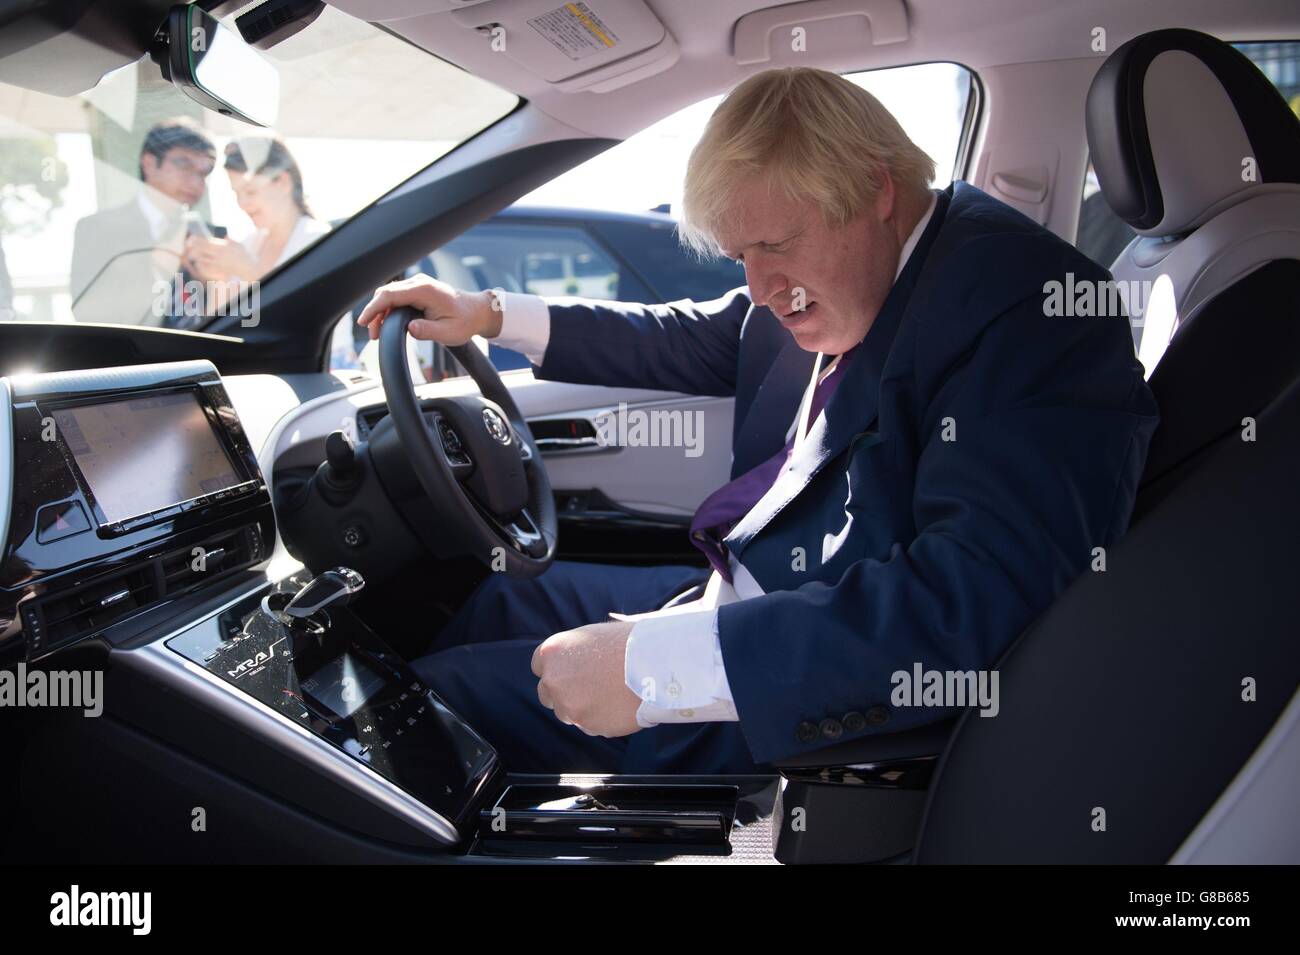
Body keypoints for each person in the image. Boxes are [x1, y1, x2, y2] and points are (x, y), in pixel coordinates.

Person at [357, 67, 1160, 775]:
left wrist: (653, 671)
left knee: (435, 702)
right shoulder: (864, 267)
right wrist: (486, 313)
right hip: (743, 598)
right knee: (496, 603)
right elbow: (689, 336)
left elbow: (972, 600)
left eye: (775, 244)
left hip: (815, 696)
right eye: (741, 254)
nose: (765, 287)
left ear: (877, 188)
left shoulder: (1024, 309)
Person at [69, 118, 219, 326]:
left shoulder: (213, 237)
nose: (196, 181)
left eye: (205, 172)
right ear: (149, 163)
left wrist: (213, 283)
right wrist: (159, 269)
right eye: (184, 165)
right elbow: (86, 312)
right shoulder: (98, 229)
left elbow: (238, 318)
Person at [184, 137, 328, 306]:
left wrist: (250, 272)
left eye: (250, 191)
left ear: (283, 182)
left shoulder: (318, 241)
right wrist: (219, 278)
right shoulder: (249, 244)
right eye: (236, 193)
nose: (242, 203)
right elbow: (221, 323)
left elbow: (307, 316)